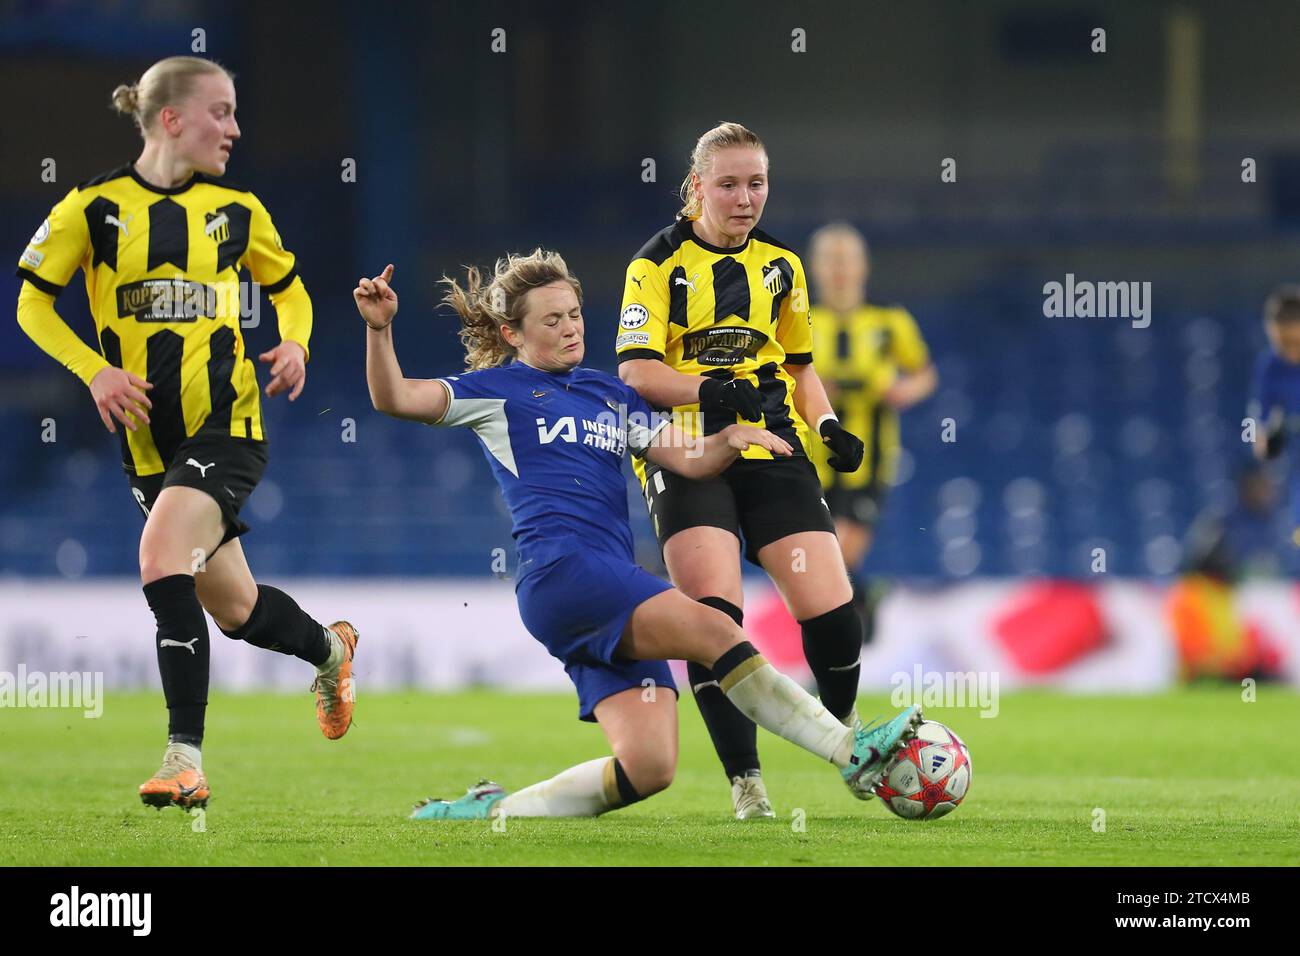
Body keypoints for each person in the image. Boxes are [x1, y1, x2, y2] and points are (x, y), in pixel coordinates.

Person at [354, 250, 921, 820]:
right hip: (566, 574)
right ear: (512, 333)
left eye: (574, 313)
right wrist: (380, 330)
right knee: (716, 631)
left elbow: (687, 460)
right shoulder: (494, 390)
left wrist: (731, 440)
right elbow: (395, 397)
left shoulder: (610, 394)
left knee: (649, 768)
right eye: (551, 320)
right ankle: (852, 750)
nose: (571, 327)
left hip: (606, 589)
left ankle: (487, 812)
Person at [14, 56, 358, 811]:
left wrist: (296, 341)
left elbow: (290, 289)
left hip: (226, 425)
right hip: (146, 446)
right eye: (221, 112)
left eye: (235, 113)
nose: (235, 129)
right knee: (233, 609)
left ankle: (185, 758)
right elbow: (32, 304)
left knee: (160, 555)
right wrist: (93, 372)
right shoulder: (92, 208)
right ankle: (332, 652)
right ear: (170, 119)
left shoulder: (238, 210)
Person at [616, 121, 869, 818]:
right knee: (715, 618)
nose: (744, 197)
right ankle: (746, 782)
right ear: (696, 188)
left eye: (756, 183)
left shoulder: (782, 265)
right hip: (687, 451)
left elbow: (798, 367)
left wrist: (826, 428)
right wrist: (707, 392)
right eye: (728, 184)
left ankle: (842, 737)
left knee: (838, 620)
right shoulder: (655, 266)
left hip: (770, 445)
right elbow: (635, 370)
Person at [807, 222, 937, 636]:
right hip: (812, 457)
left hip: (871, 456)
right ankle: (861, 601)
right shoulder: (800, 319)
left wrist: (901, 391)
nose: (839, 269)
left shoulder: (889, 320)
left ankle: (842, 633)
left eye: (846, 260)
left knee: (836, 558)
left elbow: (924, 374)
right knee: (821, 561)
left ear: (863, 266)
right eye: (831, 260)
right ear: (815, 267)